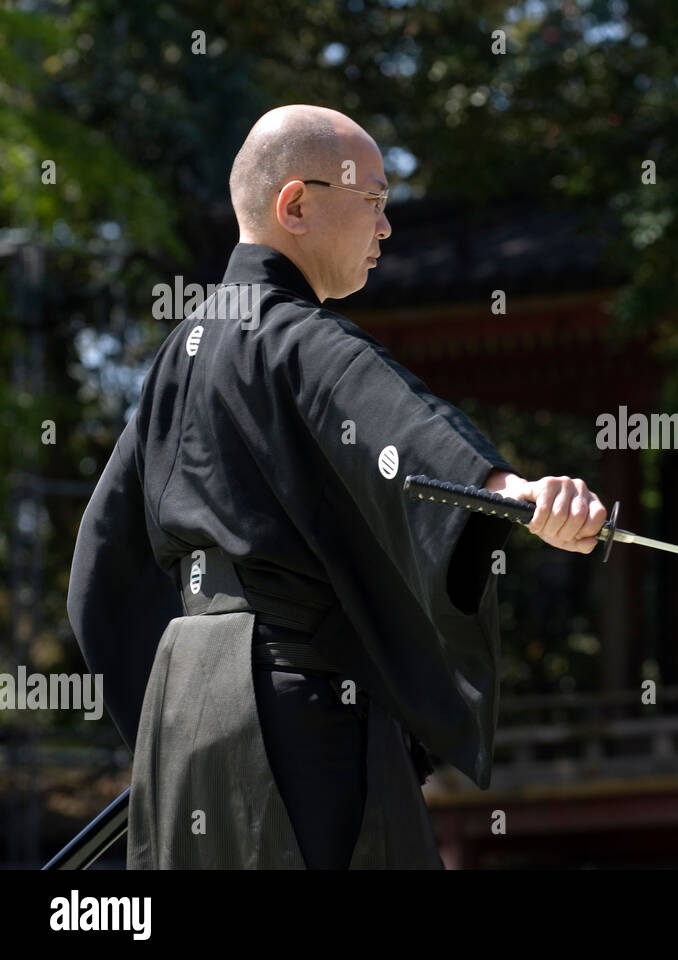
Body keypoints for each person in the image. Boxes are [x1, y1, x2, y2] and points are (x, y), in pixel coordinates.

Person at [66, 104, 606, 868]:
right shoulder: (296, 335)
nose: (387, 229)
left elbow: (97, 576)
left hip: (180, 716)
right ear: (296, 204)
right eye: (375, 202)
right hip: (294, 707)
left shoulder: (174, 359)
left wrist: (169, 713)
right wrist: (516, 494)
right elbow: (402, 432)